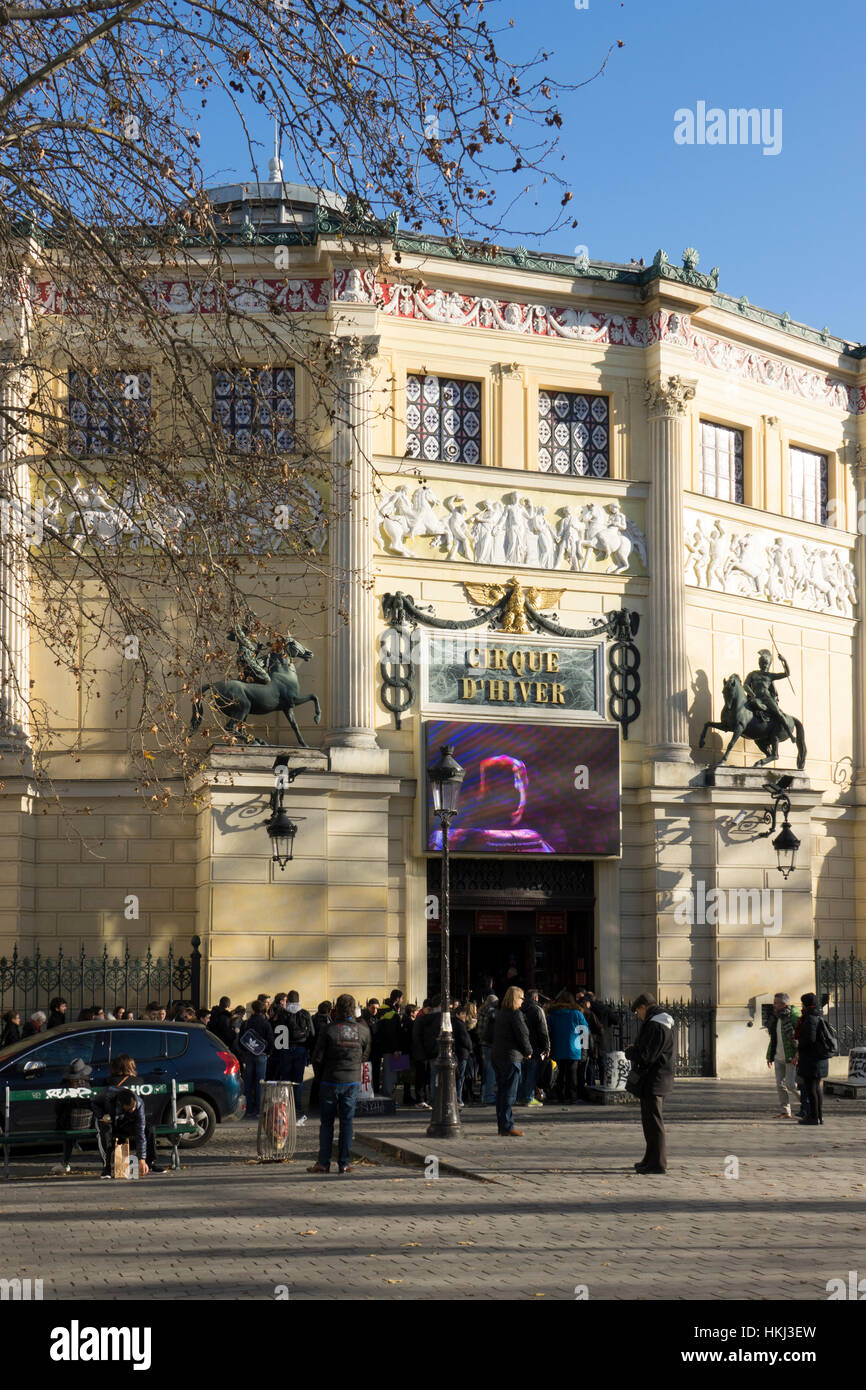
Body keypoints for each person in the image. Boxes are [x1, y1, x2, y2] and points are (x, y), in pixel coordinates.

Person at [308, 993, 371, 1175]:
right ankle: (344, 1163)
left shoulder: (328, 1030)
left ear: (336, 1009)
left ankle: (323, 1163)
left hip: (330, 1080)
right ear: (354, 1009)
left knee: (326, 1123)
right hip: (352, 1080)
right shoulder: (364, 1031)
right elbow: (365, 1055)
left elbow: (317, 1058)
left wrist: (321, 1076)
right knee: (347, 1122)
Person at [626, 993, 675, 1175]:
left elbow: (647, 1055)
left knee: (654, 1123)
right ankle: (650, 1158)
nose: (638, 1016)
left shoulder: (656, 1024)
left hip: (654, 1078)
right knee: (649, 1122)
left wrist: (632, 1052)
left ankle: (657, 1163)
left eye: (638, 1012)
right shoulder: (660, 1021)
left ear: (643, 1007)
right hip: (656, 1078)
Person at [491, 985, 532, 1136]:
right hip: (511, 1057)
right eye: (521, 998)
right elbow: (522, 1035)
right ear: (516, 998)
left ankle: (502, 1125)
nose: (522, 1001)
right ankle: (508, 1125)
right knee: (509, 1093)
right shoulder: (516, 1014)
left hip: (498, 1055)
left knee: (502, 1092)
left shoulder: (501, 1014)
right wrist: (528, 1052)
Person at [275, 990, 313, 1125]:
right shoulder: (305, 1013)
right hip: (301, 1049)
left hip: (286, 1048)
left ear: (288, 1001)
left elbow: (278, 1034)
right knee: (298, 1080)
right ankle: (297, 1108)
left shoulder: (283, 1014)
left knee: (285, 1079)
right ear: (298, 1000)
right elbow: (312, 1034)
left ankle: (285, 1106)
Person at [793, 992, 831, 1126]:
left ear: (806, 1003)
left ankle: (813, 1117)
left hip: (811, 1059)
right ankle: (818, 1116)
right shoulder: (817, 1015)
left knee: (811, 1089)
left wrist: (798, 1044)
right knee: (816, 1088)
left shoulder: (810, 1017)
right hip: (818, 1058)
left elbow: (810, 1038)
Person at [54, 1058, 95, 1172]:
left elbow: (57, 1108)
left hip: (69, 1125)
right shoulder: (88, 1084)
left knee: (68, 1125)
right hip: (88, 1125)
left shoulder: (64, 1085)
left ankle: (65, 1163)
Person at [546, 991, 587, 1104]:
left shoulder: (552, 1014)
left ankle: (560, 1095)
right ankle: (572, 1096)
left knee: (560, 1073)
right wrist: (585, 1049)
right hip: (574, 1049)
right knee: (572, 1074)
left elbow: (547, 1031)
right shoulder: (577, 1013)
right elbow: (584, 1031)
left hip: (558, 1048)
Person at [765, 992, 800, 1118]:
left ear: (784, 1004)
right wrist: (769, 1055)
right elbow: (774, 1039)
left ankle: (807, 1102)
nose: (773, 1005)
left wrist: (798, 1054)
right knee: (780, 1085)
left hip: (790, 1056)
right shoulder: (775, 1017)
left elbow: (801, 1036)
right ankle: (785, 1111)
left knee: (791, 1085)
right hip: (778, 1056)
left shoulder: (794, 1016)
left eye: (776, 1003)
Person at [239, 999, 274, 1118]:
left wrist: (244, 1052)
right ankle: (259, 1110)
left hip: (249, 1055)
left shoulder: (246, 1023)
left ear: (253, 1010)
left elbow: (240, 1040)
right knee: (260, 1083)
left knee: (248, 1082)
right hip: (261, 1055)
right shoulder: (266, 1023)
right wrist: (267, 1053)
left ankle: (249, 1109)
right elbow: (271, 1041)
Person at [517, 988, 549, 1107]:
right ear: (536, 998)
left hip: (521, 1046)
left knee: (522, 1073)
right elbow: (543, 1030)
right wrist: (547, 1047)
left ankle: (520, 1096)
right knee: (531, 1073)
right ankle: (528, 1098)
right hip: (534, 1046)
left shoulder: (520, 1009)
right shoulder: (537, 1009)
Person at [377, 991, 406, 1099]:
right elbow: (394, 1034)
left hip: (385, 1048)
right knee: (392, 1075)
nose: (402, 1000)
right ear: (398, 998)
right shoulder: (393, 1014)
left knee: (389, 1074)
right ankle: (389, 1097)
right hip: (393, 1049)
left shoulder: (383, 1010)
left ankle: (388, 1095)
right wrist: (396, 1050)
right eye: (402, 998)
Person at [477, 993, 499, 1105]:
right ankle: (489, 1096)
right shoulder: (493, 1012)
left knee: (486, 1071)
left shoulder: (482, 1011)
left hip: (483, 1043)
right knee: (491, 1071)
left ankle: (484, 1095)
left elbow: (479, 1029)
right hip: (491, 1044)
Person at [411, 1000, 432, 1109]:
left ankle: (422, 1098)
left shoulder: (422, 1018)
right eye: (428, 1009)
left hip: (422, 1053)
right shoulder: (420, 1019)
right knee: (420, 1077)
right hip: (421, 1054)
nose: (430, 1011)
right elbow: (417, 1037)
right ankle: (420, 1099)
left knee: (423, 1077)